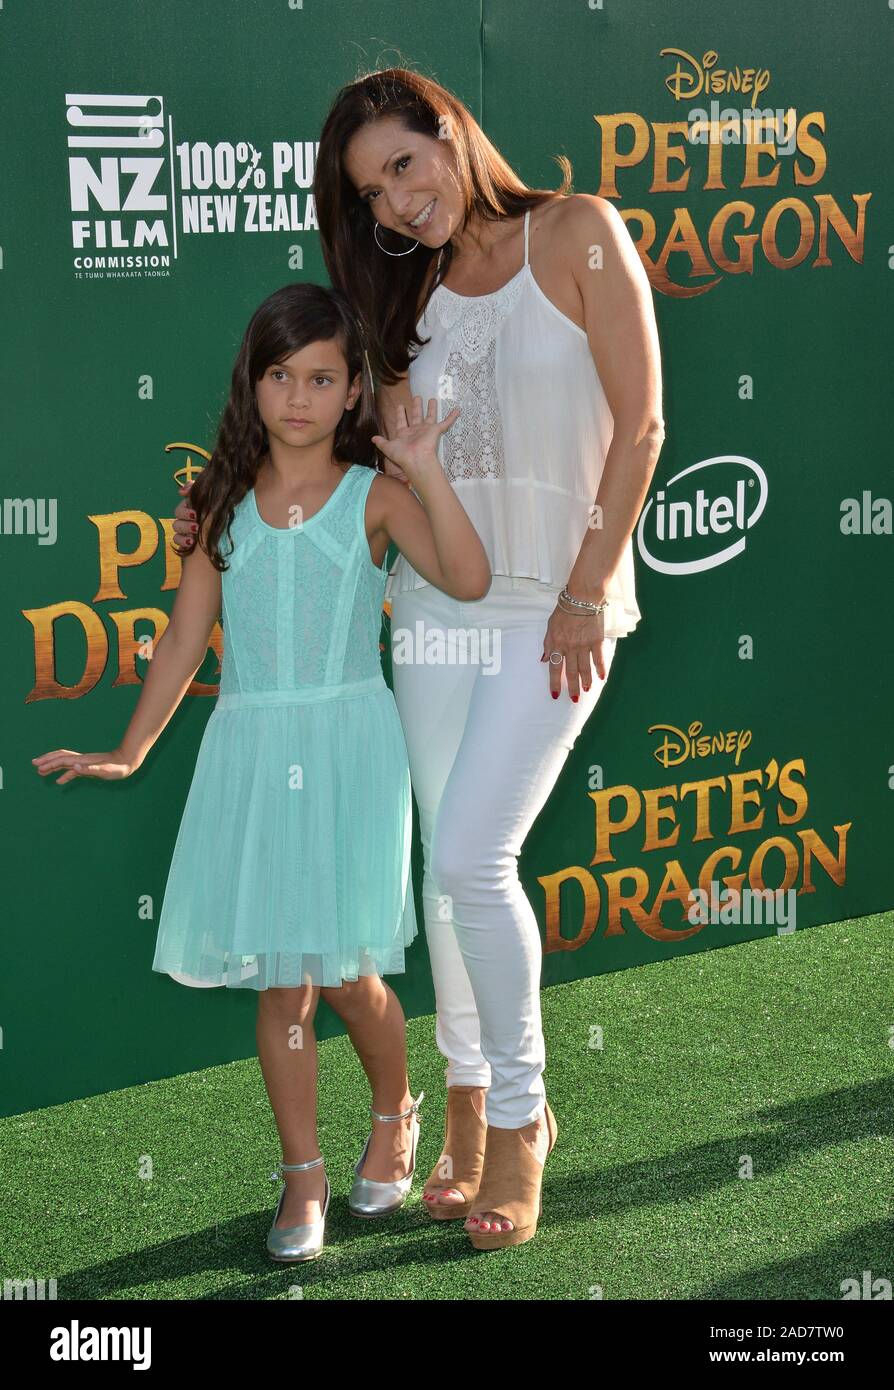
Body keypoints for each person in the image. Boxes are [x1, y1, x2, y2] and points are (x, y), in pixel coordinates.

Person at [173, 65, 664, 1251]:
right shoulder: (406, 298)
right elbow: (344, 444)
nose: (395, 203)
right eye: (370, 194)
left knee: (470, 855)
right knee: (444, 877)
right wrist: (215, 509)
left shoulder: (580, 232)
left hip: (561, 606)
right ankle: (460, 1108)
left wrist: (595, 584)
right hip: (439, 613)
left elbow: (642, 419)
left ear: (449, 131)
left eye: (403, 164)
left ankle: (521, 1121)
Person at [32, 281, 491, 1263]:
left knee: (349, 974)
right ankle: (303, 1175)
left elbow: (467, 576)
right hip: (252, 751)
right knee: (283, 985)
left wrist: (426, 471)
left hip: (349, 752)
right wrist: (130, 746)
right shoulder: (219, 506)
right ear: (254, 382)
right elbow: (182, 641)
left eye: (321, 377)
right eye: (280, 375)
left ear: (352, 387)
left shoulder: (377, 497)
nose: (298, 396)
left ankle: (390, 1115)